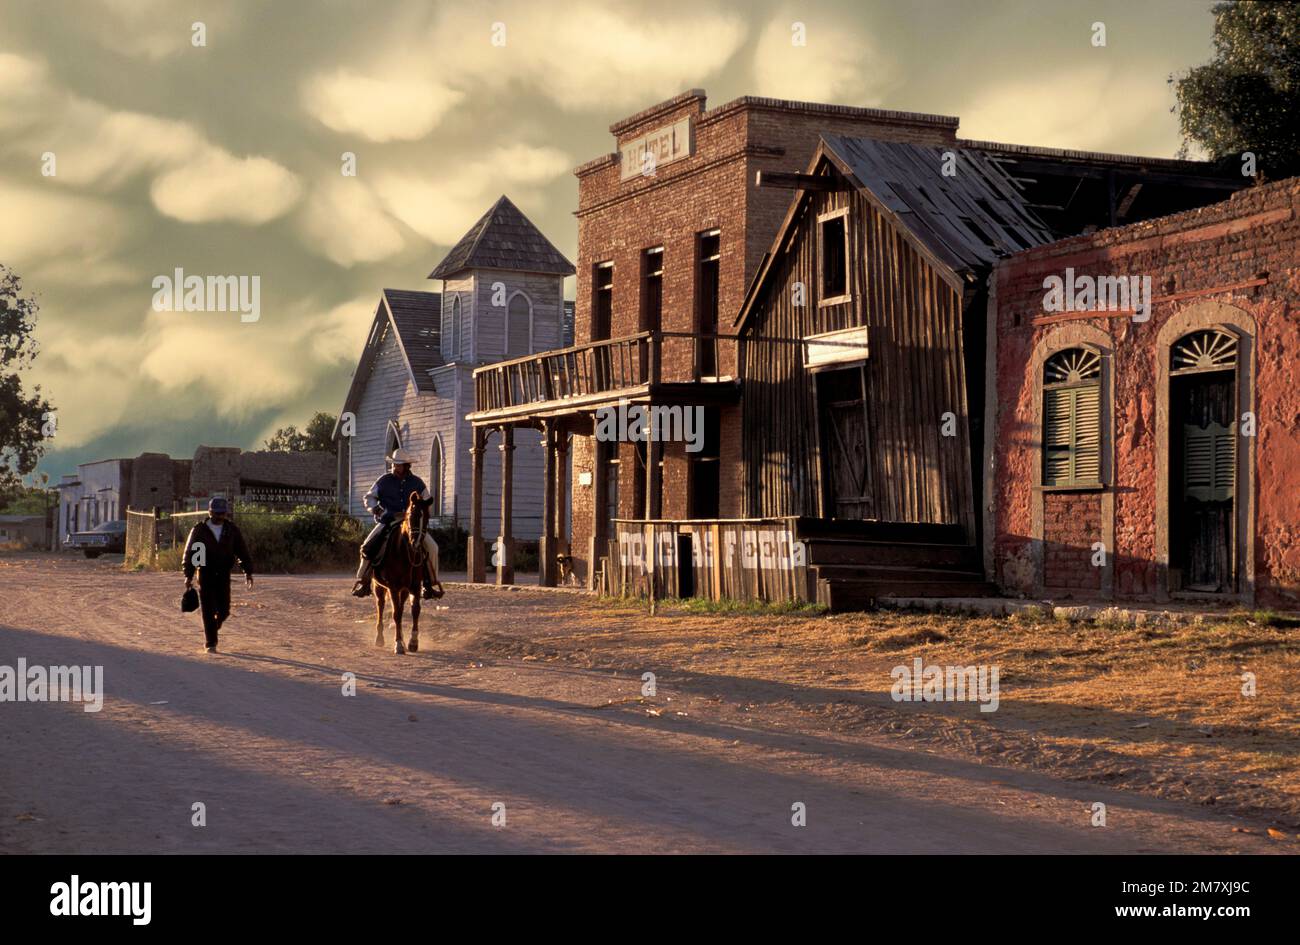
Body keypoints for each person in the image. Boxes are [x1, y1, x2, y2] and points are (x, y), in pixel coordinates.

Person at [351, 448, 441, 599]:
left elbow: (427, 501)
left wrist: (421, 513)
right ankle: (364, 581)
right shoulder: (383, 480)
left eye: (398, 464)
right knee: (367, 546)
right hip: (388, 521)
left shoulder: (417, 482)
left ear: (406, 466)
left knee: (433, 547)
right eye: (394, 464)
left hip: (411, 524)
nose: (394, 467)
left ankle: (429, 584)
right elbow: (369, 498)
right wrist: (377, 510)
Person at [182, 497, 254, 654]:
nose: (220, 517)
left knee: (224, 610)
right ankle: (210, 642)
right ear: (210, 512)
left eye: (223, 513)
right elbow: (193, 554)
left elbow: (241, 551)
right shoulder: (200, 530)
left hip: (223, 574)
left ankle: (213, 627)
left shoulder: (231, 530)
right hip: (205, 574)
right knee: (208, 609)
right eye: (217, 513)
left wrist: (247, 571)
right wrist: (189, 575)